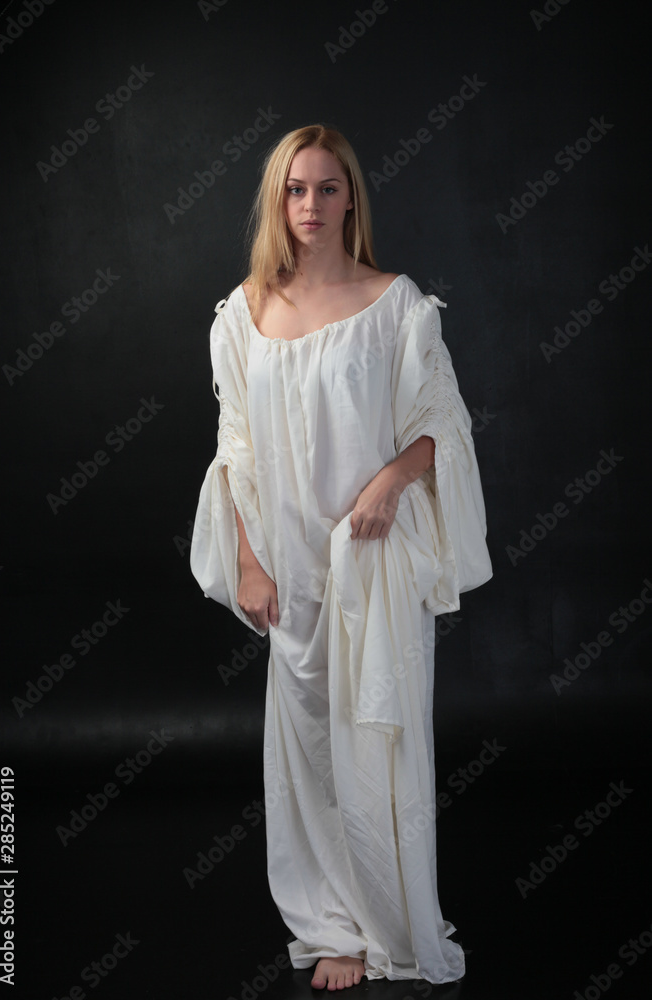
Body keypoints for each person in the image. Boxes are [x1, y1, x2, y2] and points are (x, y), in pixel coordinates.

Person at [190, 123, 492, 991]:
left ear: (351, 196)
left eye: (327, 188)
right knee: (309, 749)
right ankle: (331, 927)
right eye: (294, 189)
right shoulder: (245, 311)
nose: (311, 205)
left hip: (374, 562)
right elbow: (234, 451)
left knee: (378, 742)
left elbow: (442, 425)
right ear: (275, 201)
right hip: (289, 567)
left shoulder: (396, 304)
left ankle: (389, 919)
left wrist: (391, 482)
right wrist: (248, 562)